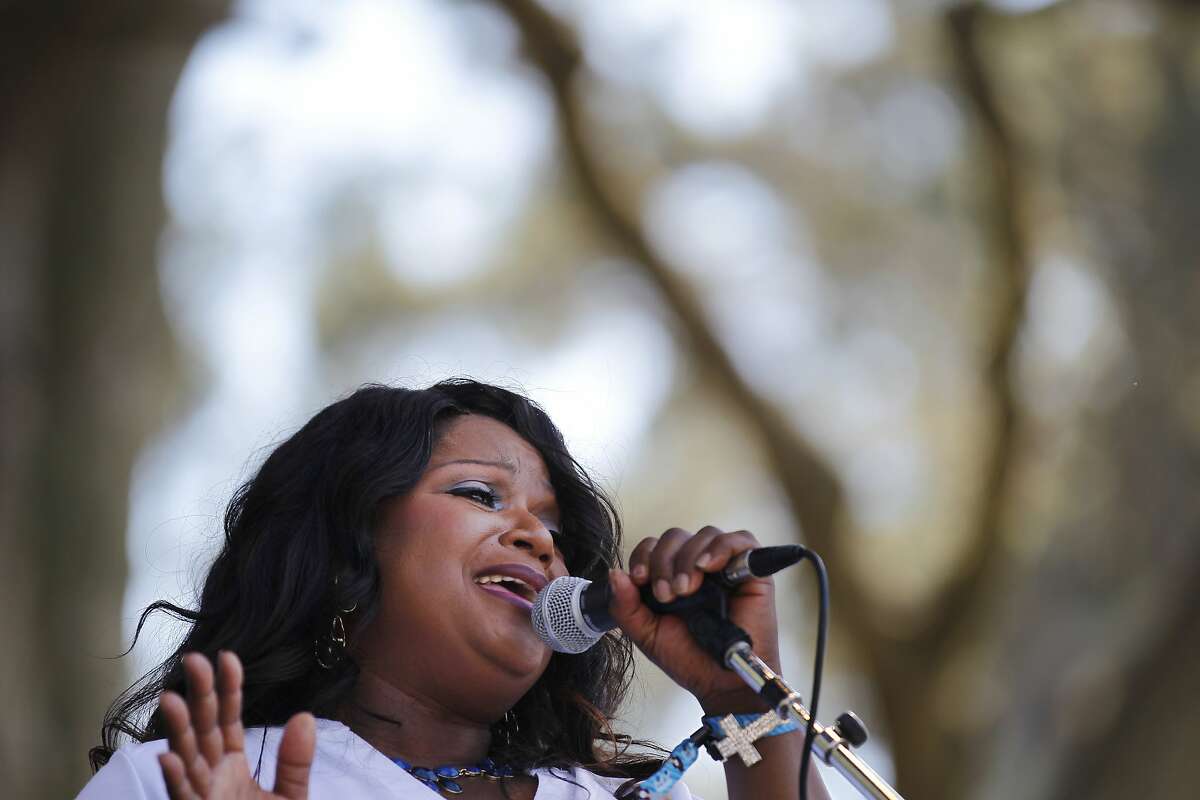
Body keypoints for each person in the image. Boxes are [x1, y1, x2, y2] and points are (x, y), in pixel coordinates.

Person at [78, 379, 830, 800]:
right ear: (346, 555)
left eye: (554, 529)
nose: (539, 539)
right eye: (479, 494)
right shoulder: (188, 782)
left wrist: (746, 707)